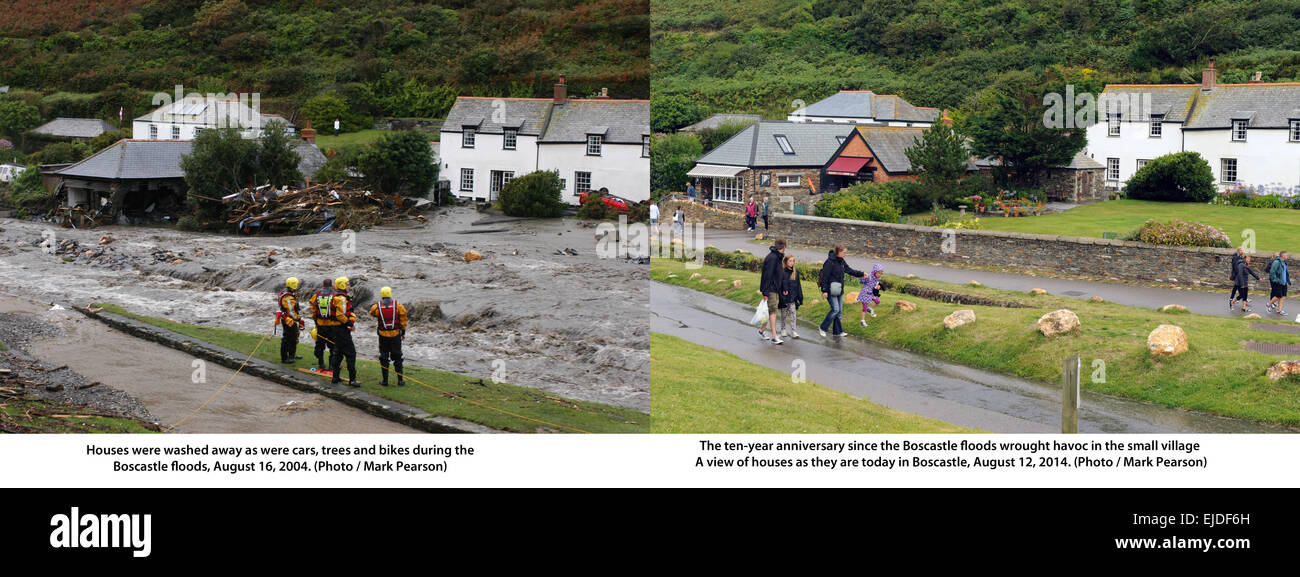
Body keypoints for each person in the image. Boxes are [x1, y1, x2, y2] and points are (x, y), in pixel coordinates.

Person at [819, 243, 864, 338]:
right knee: (835, 309)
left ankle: (837, 331)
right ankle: (823, 328)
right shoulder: (830, 262)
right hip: (830, 290)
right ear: (838, 252)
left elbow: (849, 270)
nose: (845, 254)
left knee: (839, 312)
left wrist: (862, 274)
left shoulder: (842, 261)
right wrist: (824, 290)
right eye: (844, 252)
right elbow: (824, 277)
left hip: (839, 290)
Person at [368, 286, 409, 387]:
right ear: (390, 294)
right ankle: (400, 380)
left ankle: (385, 381)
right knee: (398, 357)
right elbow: (403, 319)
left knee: (384, 358)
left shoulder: (377, 307)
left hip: (383, 336)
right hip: (395, 336)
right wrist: (403, 332)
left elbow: (372, 313)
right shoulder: (398, 306)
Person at [324, 276, 359, 387]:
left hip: (336, 329)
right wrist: (350, 324)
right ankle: (352, 380)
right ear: (343, 285)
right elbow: (340, 315)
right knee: (351, 353)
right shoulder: (341, 298)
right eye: (348, 284)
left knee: (338, 353)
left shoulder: (337, 296)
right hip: (341, 329)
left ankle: (335, 377)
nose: (349, 286)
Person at [758, 238, 787, 344]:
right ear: (784, 247)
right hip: (770, 289)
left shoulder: (777, 257)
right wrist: (765, 292)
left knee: (769, 310)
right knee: (773, 311)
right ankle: (774, 336)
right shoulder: (773, 258)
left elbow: (779, 274)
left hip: (774, 288)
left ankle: (762, 330)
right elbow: (767, 276)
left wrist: (783, 288)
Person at [309, 278, 336, 371]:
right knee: (333, 345)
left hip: (320, 324)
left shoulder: (317, 294)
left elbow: (312, 305)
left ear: (323, 285)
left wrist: (315, 319)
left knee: (320, 344)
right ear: (331, 285)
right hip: (332, 324)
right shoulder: (334, 294)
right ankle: (332, 366)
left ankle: (321, 363)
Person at [276, 277, 302, 364]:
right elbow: (291, 311)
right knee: (287, 338)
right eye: (296, 284)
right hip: (289, 319)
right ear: (292, 284)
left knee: (294, 337)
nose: (297, 285)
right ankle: (285, 358)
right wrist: (298, 318)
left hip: (290, 319)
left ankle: (292, 354)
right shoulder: (288, 296)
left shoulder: (287, 293)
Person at [777, 254, 803, 339]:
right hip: (784, 298)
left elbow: (798, 285)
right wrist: (781, 296)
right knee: (784, 315)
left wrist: (800, 297)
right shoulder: (782, 272)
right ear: (785, 261)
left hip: (793, 297)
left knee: (793, 314)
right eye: (790, 261)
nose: (792, 263)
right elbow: (779, 285)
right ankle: (783, 329)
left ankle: (793, 331)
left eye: (793, 261)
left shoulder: (795, 272)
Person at [1267, 251, 1290, 315]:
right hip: (1278, 282)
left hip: (1284, 282)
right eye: (1286, 255)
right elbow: (1272, 272)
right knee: (1278, 296)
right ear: (1283, 256)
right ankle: (1268, 304)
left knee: (1283, 296)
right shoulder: (1276, 262)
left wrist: (1287, 280)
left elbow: (1285, 273)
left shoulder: (1284, 263)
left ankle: (1279, 310)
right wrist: (1276, 280)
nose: (1287, 257)